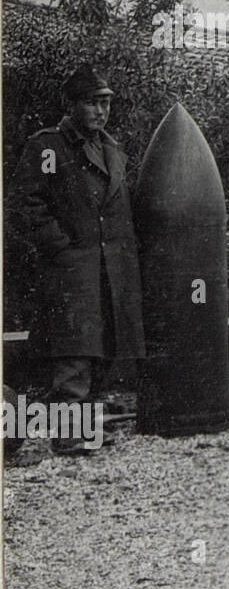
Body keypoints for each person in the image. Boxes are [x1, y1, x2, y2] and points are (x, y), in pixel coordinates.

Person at [14, 63, 145, 455]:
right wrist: (60, 247)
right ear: (72, 106)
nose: (101, 112)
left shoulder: (112, 149)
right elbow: (24, 204)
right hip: (72, 271)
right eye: (92, 103)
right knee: (74, 353)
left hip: (112, 270)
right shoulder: (48, 148)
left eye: (105, 103)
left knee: (104, 347)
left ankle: (87, 427)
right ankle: (69, 433)